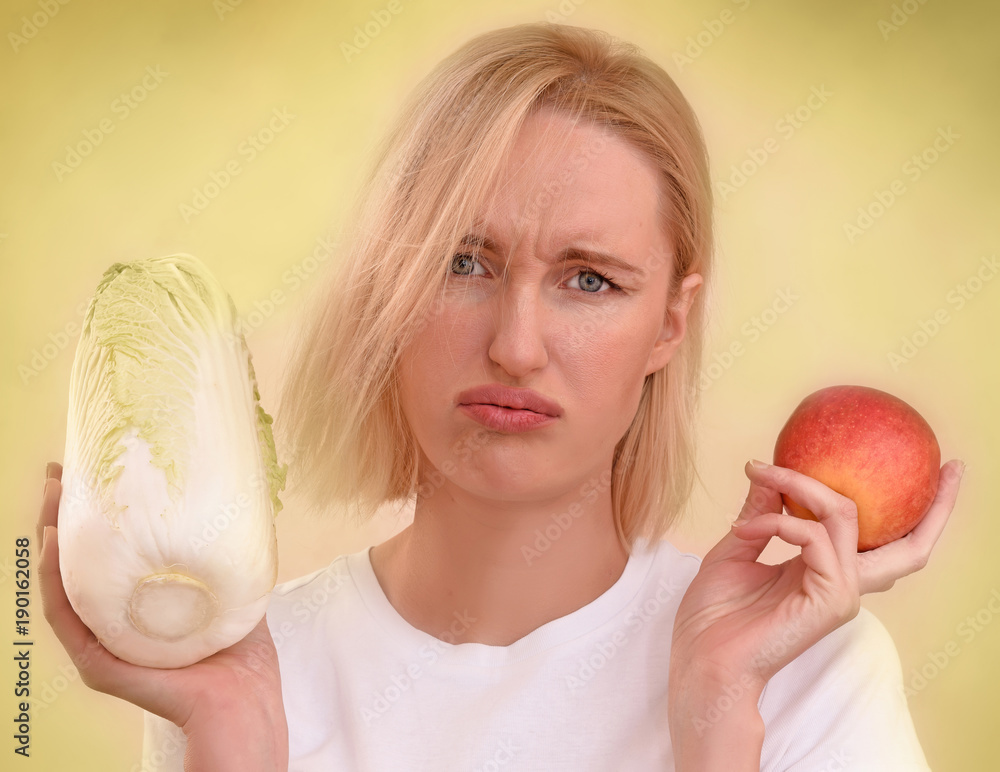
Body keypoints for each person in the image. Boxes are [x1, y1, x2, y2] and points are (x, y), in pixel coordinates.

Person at [38, 21, 964, 771]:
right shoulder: (242, 668)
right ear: (386, 291)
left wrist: (718, 712)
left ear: (671, 324)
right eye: (463, 263)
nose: (515, 346)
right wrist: (235, 743)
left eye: (589, 280)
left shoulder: (798, 670)